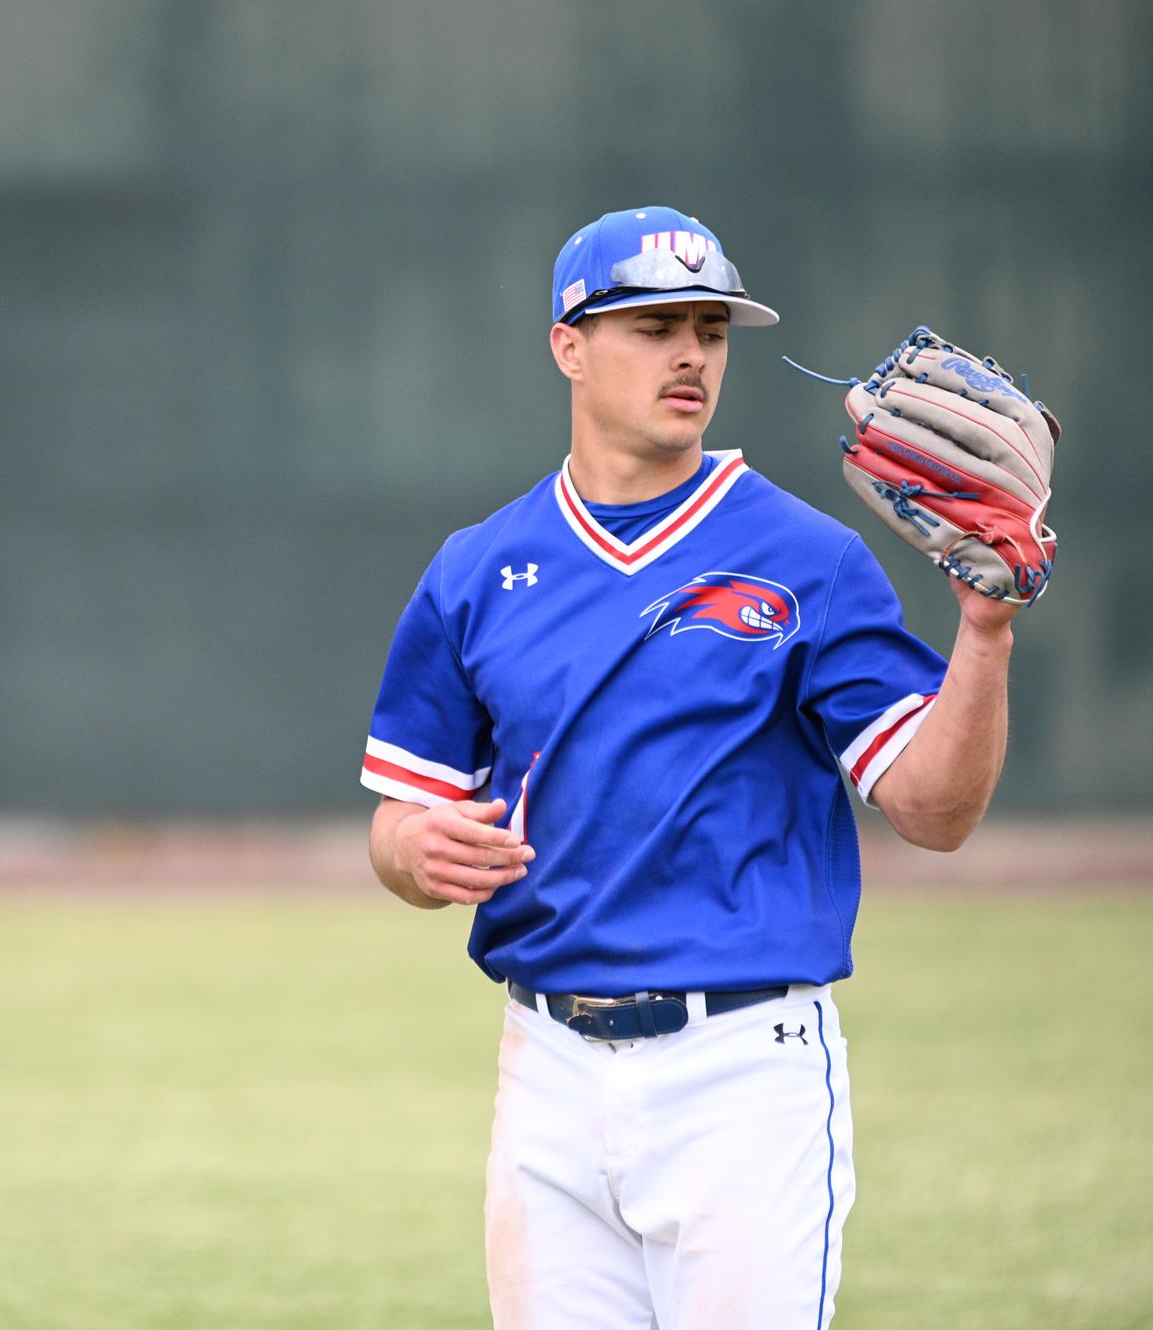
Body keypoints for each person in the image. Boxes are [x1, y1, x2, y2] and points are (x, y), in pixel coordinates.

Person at [359, 205, 1019, 1330]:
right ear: (568, 344)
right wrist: (415, 852)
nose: (689, 354)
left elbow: (933, 810)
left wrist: (982, 634)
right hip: (547, 1071)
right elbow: (396, 825)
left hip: (741, 1074)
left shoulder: (807, 557)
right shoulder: (477, 569)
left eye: (709, 329)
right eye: (652, 324)